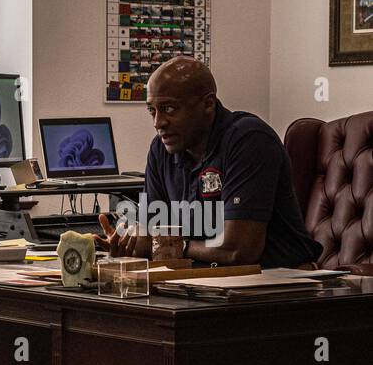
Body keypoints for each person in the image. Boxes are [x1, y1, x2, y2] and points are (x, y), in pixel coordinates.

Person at [102, 56, 321, 268]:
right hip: (202, 282)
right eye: (152, 111)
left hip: (278, 284)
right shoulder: (161, 149)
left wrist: (173, 244)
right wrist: (127, 242)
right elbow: (150, 234)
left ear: (208, 104)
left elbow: (239, 251)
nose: (158, 123)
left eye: (169, 108)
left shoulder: (249, 139)